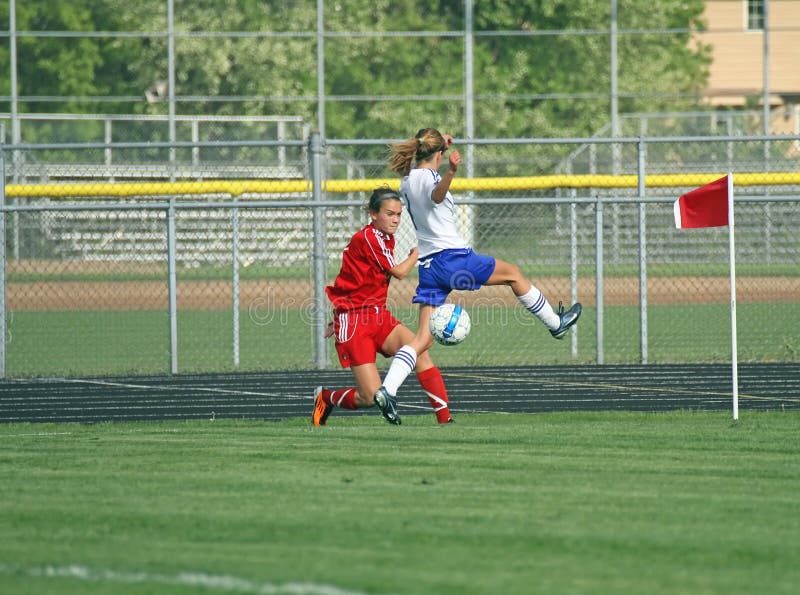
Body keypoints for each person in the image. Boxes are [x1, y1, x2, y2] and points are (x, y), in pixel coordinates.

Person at [372, 127, 582, 425]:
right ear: (439, 155)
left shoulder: (405, 181)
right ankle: (555, 323)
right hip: (454, 259)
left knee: (421, 340)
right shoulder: (433, 177)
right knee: (514, 275)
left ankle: (387, 389)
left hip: (430, 266)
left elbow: (423, 179)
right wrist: (452, 171)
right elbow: (435, 194)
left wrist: (439, 150)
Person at [312, 186, 454, 427]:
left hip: (378, 316)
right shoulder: (367, 237)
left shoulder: (384, 237)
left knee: (420, 350)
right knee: (369, 397)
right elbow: (399, 272)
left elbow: (353, 279)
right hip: (356, 322)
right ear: (373, 214)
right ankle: (326, 398)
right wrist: (416, 254)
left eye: (399, 214)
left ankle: (445, 420)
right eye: (390, 214)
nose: (396, 219)